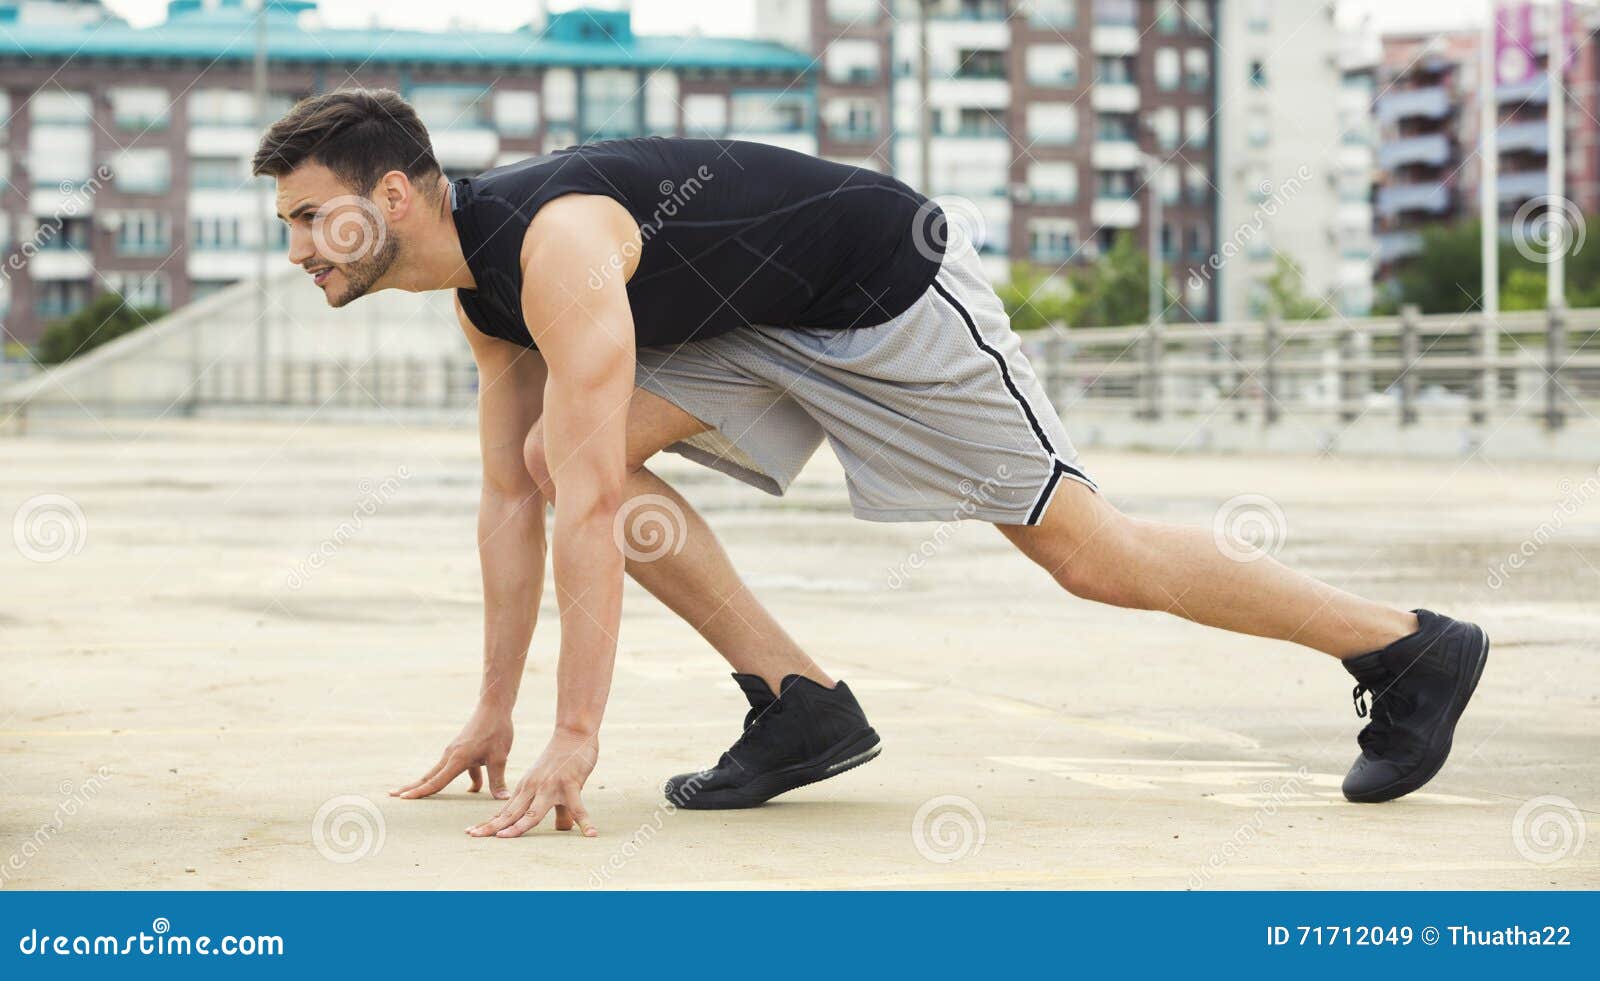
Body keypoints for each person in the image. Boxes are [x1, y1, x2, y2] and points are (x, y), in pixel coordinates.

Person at [252, 89, 1489, 838]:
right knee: (544, 454)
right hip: (758, 322)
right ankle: (799, 702)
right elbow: (512, 501)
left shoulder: (557, 247)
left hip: (884, 292)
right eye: (289, 224)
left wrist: (574, 734)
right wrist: (494, 708)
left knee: (1086, 554)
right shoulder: (486, 300)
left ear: (395, 196)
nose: (299, 246)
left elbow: (587, 511)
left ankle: (1404, 645)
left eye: (311, 216)